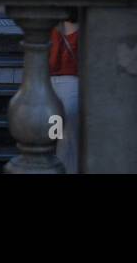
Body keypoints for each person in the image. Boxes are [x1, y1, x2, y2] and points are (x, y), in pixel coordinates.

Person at [49, 12, 80, 173]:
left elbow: (50, 61)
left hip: (52, 86)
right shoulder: (84, 33)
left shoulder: (53, 31)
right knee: (68, 140)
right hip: (72, 87)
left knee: (53, 136)